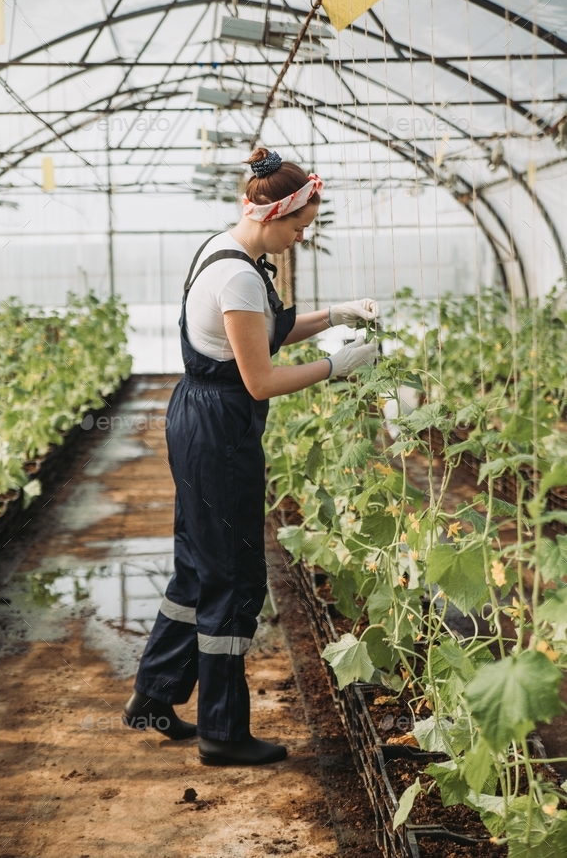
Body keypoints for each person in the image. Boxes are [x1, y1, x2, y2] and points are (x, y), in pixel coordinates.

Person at [122, 148, 379, 766]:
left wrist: (334, 314)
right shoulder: (239, 275)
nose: (299, 238)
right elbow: (260, 379)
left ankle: (154, 695)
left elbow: (262, 329)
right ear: (275, 215)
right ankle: (223, 733)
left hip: (200, 418)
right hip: (219, 431)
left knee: (196, 567)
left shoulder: (227, 251)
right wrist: (336, 367)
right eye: (299, 227)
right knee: (233, 577)